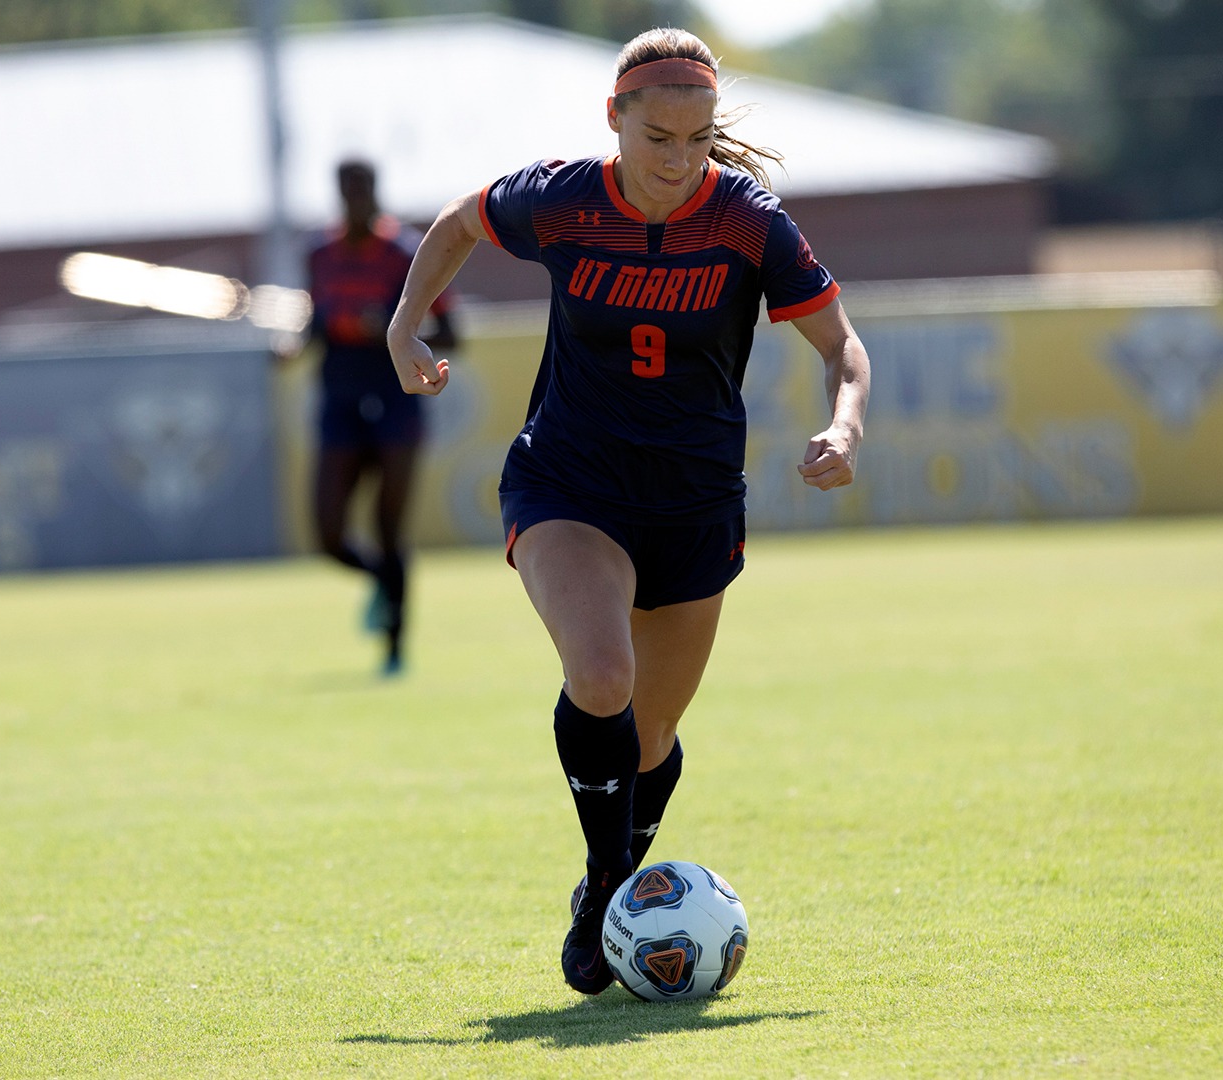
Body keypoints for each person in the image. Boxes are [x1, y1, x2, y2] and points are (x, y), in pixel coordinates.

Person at [384, 28, 869, 994]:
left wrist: (846, 427)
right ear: (615, 119)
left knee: (649, 740)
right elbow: (456, 223)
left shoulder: (747, 222)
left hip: (693, 501)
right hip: (571, 483)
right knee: (602, 676)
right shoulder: (563, 198)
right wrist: (405, 324)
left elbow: (841, 348)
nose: (680, 161)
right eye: (659, 139)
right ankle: (611, 885)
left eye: (698, 139)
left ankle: (604, 883)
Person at [305, 159, 456, 676]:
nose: (355, 201)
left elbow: (451, 332)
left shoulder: (405, 254)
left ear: (374, 192)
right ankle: (381, 583)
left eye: (362, 190)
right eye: (346, 191)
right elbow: (315, 327)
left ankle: (394, 646)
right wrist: (291, 345)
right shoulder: (319, 255)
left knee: (390, 527)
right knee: (328, 533)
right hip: (339, 398)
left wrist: (389, 331)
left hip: (395, 397)